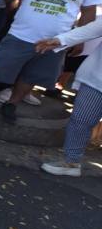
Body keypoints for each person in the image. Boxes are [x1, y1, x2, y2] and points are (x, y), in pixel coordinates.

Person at [35, 16, 102, 176]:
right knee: (80, 120)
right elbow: (92, 29)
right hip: (96, 79)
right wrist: (59, 40)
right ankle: (71, 162)